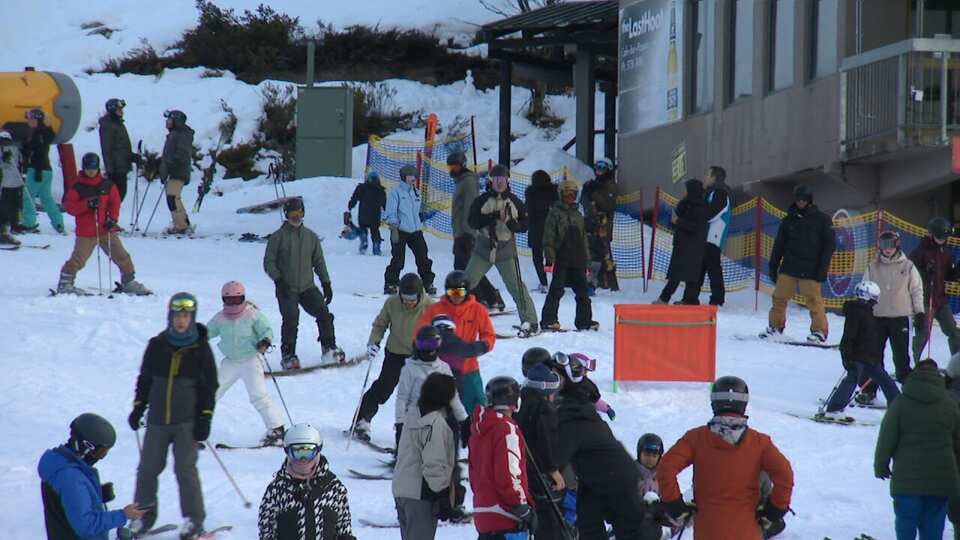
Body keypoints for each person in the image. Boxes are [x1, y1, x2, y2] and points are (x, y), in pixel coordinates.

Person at [659, 376, 794, 540]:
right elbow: (785, 474)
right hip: (746, 531)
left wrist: (675, 506)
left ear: (713, 403)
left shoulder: (696, 439)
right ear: (744, 405)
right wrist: (774, 510)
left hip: (707, 531)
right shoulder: (759, 443)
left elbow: (666, 468)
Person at [128, 292, 218, 538]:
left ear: (192, 318)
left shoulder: (200, 349)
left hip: (186, 423)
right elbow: (145, 379)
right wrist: (138, 407)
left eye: (186, 316)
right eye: (178, 316)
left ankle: (194, 520)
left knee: (184, 470)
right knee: (147, 468)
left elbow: (209, 386)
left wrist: (205, 418)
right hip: (157, 420)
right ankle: (142, 516)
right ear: (170, 316)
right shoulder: (157, 345)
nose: (181, 321)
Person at [554, 369, 661, 540]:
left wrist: (552, 470)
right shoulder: (580, 411)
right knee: (590, 526)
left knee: (629, 529)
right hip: (594, 479)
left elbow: (556, 457)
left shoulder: (573, 418)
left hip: (615, 480)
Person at [875, 359, 960, 540]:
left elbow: (886, 437)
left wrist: (880, 465)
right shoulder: (950, 405)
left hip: (907, 479)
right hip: (941, 478)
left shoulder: (901, 403)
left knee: (906, 521)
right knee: (933, 524)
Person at [263, 197, 343, 369]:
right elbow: (268, 262)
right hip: (287, 288)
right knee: (291, 317)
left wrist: (326, 283)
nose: (296, 217)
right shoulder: (278, 237)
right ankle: (288, 355)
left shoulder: (311, 237)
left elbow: (319, 262)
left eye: (300, 213)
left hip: (307, 287)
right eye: (293, 213)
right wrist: (278, 280)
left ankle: (329, 348)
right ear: (286, 214)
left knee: (323, 312)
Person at [39, 413, 147, 540]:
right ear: (86, 446)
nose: (101, 457)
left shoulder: (61, 464)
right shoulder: (71, 478)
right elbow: (86, 525)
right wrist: (123, 515)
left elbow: (69, 503)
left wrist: (95, 494)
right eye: (100, 452)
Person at [55, 153, 151, 295]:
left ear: (98, 168)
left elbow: (115, 203)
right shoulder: (77, 186)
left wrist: (112, 220)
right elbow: (69, 207)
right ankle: (65, 283)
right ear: (84, 168)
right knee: (79, 259)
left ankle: (129, 282)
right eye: (88, 168)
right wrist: (86, 204)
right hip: (86, 231)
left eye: (93, 168)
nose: (91, 171)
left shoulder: (106, 185)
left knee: (122, 255)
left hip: (105, 229)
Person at [353, 273, 433, 441]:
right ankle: (361, 420)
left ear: (420, 294)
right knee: (384, 387)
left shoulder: (430, 307)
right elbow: (380, 324)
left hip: (418, 357)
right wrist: (374, 342)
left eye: (412, 298)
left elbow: (439, 331)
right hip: (395, 353)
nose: (408, 302)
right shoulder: (392, 303)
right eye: (405, 297)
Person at [207, 280, 285, 446]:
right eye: (229, 300)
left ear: (243, 298)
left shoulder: (252, 314)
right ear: (223, 300)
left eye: (237, 300)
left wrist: (264, 341)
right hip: (231, 362)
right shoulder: (220, 318)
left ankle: (277, 430)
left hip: (250, 360)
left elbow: (266, 330)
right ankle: (192, 428)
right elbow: (207, 331)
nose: (233, 304)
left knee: (258, 395)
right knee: (211, 392)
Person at [465, 164, 539, 336]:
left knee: (517, 287)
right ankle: (455, 317)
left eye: (503, 180)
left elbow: (525, 225)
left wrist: (512, 223)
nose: (500, 183)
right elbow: (472, 221)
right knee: (465, 283)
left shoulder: (515, 202)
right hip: (484, 249)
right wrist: (492, 217)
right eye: (496, 180)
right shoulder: (482, 200)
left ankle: (531, 322)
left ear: (508, 181)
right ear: (491, 181)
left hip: (506, 251)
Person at [393, 372, 465, 539]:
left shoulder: (413, 415)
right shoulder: (435, 423)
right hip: (420, 495)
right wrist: (444, 494)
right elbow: (434, 464)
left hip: (402, 490)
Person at [418, 270, 496, 422]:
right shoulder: (436, 309)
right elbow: (420, 331)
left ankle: (475, 434)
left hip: (468, 367)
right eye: (451, 291)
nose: (455, 296)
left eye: (459, 291)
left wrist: (481, 346)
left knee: (477, 402)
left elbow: (489, 335)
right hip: (439, 368)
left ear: (466, 291)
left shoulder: (478, 310)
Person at [762, 184, 836, 343]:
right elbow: (779, 244)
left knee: (813, 301)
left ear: (809, 200)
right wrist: (773, 265)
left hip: (810, 269)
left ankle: (819, 331)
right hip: (789, 267)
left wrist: (823, 268)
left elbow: (829, 245)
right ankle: (775, 327)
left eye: (803, 200)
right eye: (798, 200)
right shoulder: (789, 219)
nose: (800, 203)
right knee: (779, 298)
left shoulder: (822, 219)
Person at [858, 230, 924, 405]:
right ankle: (869, 391)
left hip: (899, 317)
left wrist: (920, 312)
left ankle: (908, 392)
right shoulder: (873, 266)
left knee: (901, 357)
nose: (887, 250)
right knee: (873, 356)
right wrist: (863, 312)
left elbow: (916, 290)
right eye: (884, 246)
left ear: (897, 246)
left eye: (891, 246)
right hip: (877, 318)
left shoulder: (908, 266)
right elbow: (864, 288)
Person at [818, 281, 901, 419]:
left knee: (885, 380)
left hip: (870, 358)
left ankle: (899, 407)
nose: (876, 300)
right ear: (868, 297)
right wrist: (847, 357)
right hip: (857, 357)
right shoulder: (857, 313)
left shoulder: (867, 312)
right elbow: (848, 337)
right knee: (851, 380)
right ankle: (833, 410)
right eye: (875, 296)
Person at [258, 423, 356, 540]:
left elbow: (344, 530)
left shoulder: (334, 488)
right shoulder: (277, 490)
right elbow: (266, 532)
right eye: (296, 452)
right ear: (287, 451)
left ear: (318, 451)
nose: (303, 460)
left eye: (308, 452)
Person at [469, 376, 537, 539]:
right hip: (506, 519)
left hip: (484, 515)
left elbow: (474, 475)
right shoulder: (506, 429)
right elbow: (508, 474)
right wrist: (523, 508)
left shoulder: (479, 430)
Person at [516, 361, 566, 539]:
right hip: (539, 474)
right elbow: (546, 442)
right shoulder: (544, 410)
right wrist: (554, 470)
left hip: (520, 469)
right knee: (548, 520)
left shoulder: (518, 403)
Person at [395, 326, 469, 447]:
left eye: (432, 344)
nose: (428, 349)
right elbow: (402, 398)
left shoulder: (444, 367)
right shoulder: (409, 368)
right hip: (417, 414)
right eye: (423, 345)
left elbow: (453, 397)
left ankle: (450, 459)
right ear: (417, 346)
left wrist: (463, 420)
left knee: (451, 424)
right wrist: (400, 423)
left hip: (439, 414)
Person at [540, 179, 597, 331]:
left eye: (573, 193)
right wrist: (550, 256)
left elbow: (583, 238)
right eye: (567, 193)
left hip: (577, 259)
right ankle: (549, 320)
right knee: (556, 290)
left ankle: (584, 320)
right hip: (562, 258)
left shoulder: (578, 215)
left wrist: (587, 259)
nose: (570, 196)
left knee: (583, 291)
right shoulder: (555, 213)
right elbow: (549, 237)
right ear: (561, 194)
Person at [448, 151, 500, 307]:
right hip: (460, 231)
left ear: (462, 165)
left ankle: (481, 298)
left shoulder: (468, 182)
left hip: (466, 232)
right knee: (466, 267)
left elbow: (470, 208)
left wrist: (469, 231)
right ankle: (490, 298)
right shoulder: (461, 181)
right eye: (450, 166)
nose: (452, 169)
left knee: (463, 267)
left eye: (455, 166)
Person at [910, 217, 960, 360]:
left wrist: (957, 270)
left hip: (940, 300)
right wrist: (925, 272)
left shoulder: (946, 252)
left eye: (944, 237)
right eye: (939, 237)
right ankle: (915, 363)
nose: (941, 240)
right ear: (931, 234)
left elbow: (949, 276)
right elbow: (908, 273)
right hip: (924, 300)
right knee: (923, 333)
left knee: (954, 332)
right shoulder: (919, 252)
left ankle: (956, 364)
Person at [655, 179, 709, 305]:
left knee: (689, 275)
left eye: (686, 189)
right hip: (682, 244)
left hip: (693, 246)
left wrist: (678, 222)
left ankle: (681, 299)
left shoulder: (701, 207)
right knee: (677, 273)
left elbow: (696, 226)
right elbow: (677, 219)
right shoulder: (686, 204)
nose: (684, 192)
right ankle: (672, 298)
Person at [384, 164, 436, 295]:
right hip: (400, 230)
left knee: (423, 256)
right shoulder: (395, 192)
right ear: (404, 177)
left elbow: (417, 212)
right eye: (411, 175)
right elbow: (391, 211)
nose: (414, 178)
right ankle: (391, 283)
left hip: (415, 230)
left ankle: (427, 282)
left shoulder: (416, 192)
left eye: (415, 175)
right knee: (398, 258)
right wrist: (393, 227)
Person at [19, 108, 64, 234]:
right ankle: (58, 223)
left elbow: (35, 151)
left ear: (37, 119)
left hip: (36, 170)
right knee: (47, 198)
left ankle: (29, 223)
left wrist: (24, 149)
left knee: (27, 197)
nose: (29, 121)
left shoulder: (37, 134)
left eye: (31, 118)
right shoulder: (46, 133)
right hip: (47, 170)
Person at [581, 158, 618, 292]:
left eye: (602, 167)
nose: (599, 169)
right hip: (591, 221)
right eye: (597, 166)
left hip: (604, 223)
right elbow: (584, 201)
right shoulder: (591, 184)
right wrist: (588, 198)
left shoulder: (610, 185)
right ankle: (593, 281)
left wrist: (593, 195)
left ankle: (610, 283)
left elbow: (608, 204)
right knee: (591, 250)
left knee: (604, 251)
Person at [697, 166, 731, 306]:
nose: (705, 177)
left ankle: (717, 298)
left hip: (713, 236)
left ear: (714, 178)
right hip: (707, 236)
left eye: (707, 175)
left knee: (713, 268)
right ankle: (692, 295)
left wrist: (697, 217)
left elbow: (711, 213)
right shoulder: (712, 192)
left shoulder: (720, 193)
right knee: (701, 267)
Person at [158, 109, 194, 235]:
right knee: (173, 198)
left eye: (170, 120)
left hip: (177, 172)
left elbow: (182, 154)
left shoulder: (181, 134)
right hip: (173, 171)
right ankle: (181, 223)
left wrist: (171, 166)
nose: (167, 122)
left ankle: (182, 225)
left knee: (173, 198)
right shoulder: (175, 134)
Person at [524, 169, 559, 293]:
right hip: (551, 231)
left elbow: (527, 212)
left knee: (537, 258)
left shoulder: (531, 194)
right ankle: (556, 281)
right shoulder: (554, 194)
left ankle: (543, 282)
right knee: (552, 256)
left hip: (535, 231)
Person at [98, 98, 136, 201]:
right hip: (116, 169)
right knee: (116, 198)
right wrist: (111, 171)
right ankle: (108, 216)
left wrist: (133, 157)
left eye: (121, 109)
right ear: (112, 111)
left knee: (120, 197)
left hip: (121, 167)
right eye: (119, 110)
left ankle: (111, 216)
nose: (122, 112)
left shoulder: (118, 124)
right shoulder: (108, 126)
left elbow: (122, 147)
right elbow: (107, 149)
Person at [348, 170, 386, 255]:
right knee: (375, 230)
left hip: (363, 214)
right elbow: (385, 204)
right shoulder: (381, 190)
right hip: (375, 216)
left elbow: (354, 198)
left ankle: (364, 240)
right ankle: (376, 245)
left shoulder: (361, 188)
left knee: (363, 227)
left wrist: (350, 206)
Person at [0, 130, 25, 245]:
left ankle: (9, 228)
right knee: (9, 207)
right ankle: (8, 228)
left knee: (9, 207)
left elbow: (19, 163)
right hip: (9, 183)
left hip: (11, 182)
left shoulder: (13, 150)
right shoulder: (11, 150)